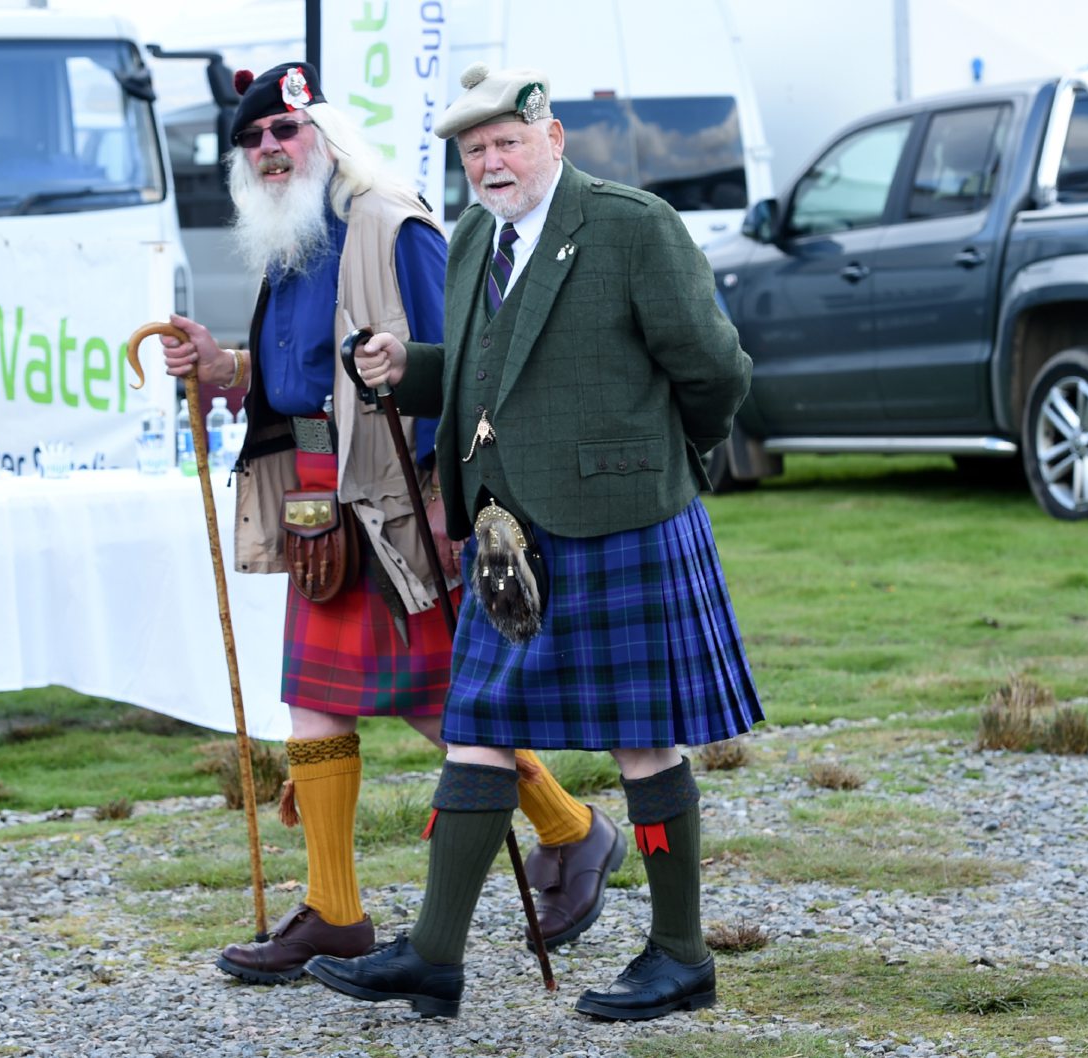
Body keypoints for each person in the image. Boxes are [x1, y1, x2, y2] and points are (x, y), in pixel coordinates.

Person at [302, 64, 763, 1021]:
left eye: (507, 142)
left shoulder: (630, 226)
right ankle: (433, 956)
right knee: (474, 732)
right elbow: (483, 373)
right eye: (474, 151)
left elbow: (716, 369)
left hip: (623, 518)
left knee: (644, 742)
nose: (491, 163)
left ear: (553, 139)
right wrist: (407, 370)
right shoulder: (474, 235)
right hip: (512, 535)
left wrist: (672, 457)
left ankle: (681, 956)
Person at [160, 62, 623, 988]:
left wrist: (457, 494)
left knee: (433, 694)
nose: (268, 152)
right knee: (318, 699)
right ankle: (335, 910)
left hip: (393, 491)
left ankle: (576, 830)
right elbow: (306, 369)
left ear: (322, 137)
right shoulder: (289, 236)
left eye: (283, 134)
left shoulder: (387, 219)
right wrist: (226, 368)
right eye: (251, 142)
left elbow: (461, 357)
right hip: (315, 496)